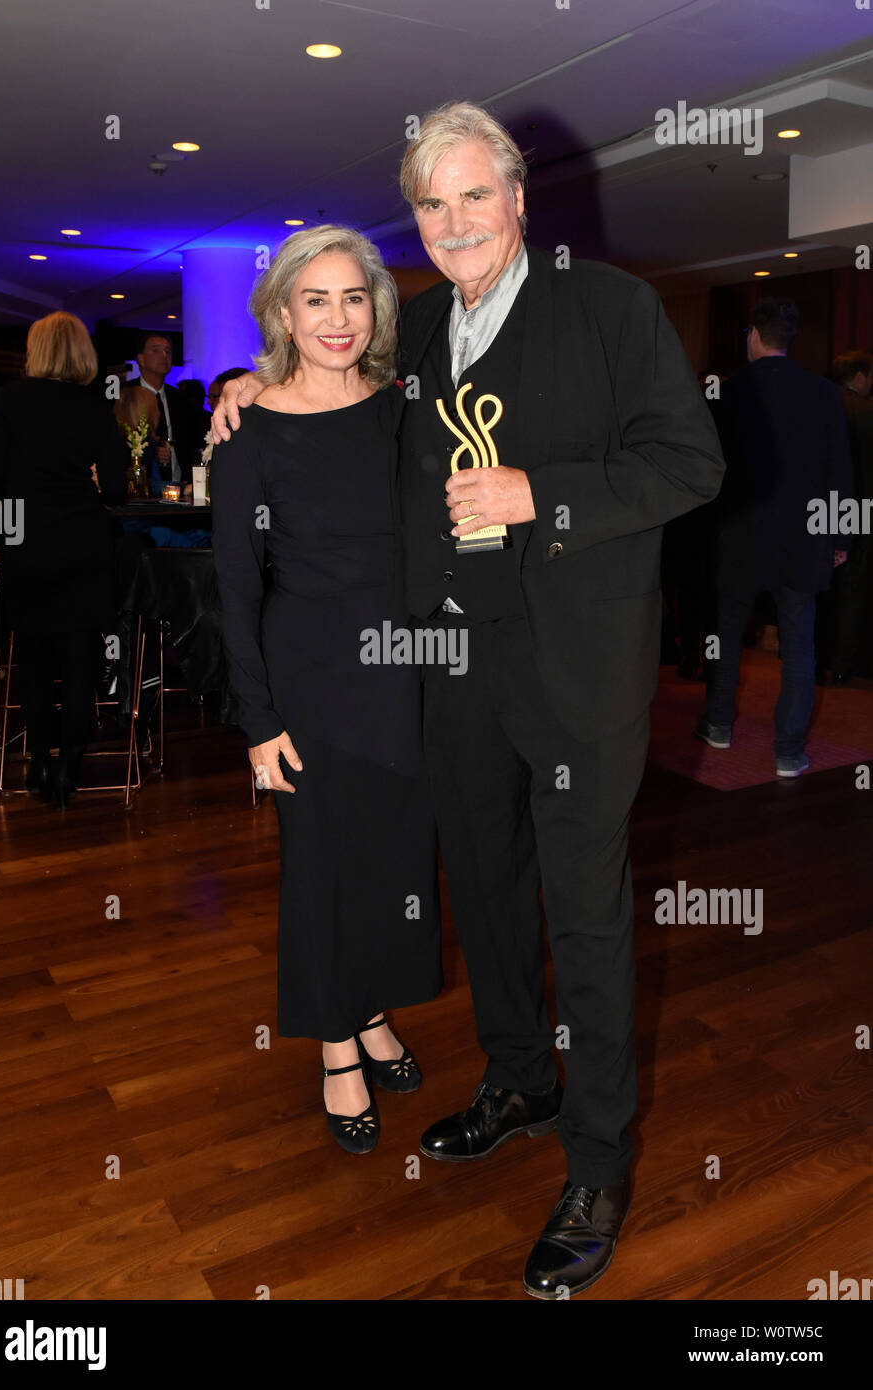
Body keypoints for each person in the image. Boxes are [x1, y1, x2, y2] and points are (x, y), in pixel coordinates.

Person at [214, 101, 725, 1296]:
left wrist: (539, 494)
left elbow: (691, 463)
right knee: (485, 893)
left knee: (585, 915)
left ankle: (597, 1162)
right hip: (448, 671)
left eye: (472, 195)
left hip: (576, 675)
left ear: (518, 199)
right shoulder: (422, 332)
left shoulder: (607, 308)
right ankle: (518, 1080)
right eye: (430, 204)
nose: (451, 223)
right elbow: (336, 423)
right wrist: (250, 382)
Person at [211, 226, 442, 1155]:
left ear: (376, 309)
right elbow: (235, 585)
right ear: (284, 316)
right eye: (317, 300)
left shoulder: (400, 411)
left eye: (355, 298)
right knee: (320, 865)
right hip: (306, 679)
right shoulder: (249, 430)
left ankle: (372, 1007)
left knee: (390, 859)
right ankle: (337, 1045)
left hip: (403, 673)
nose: (339, 318)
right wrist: (257, 722)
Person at [0, 312, 129, 807]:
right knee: (80, 661)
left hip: (28, 542)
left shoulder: (7, 400)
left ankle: (38, 763)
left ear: (35, 350)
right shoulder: (94, 405)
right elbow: (113, 487)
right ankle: (68, 769)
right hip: (83, 542)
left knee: (34, 659)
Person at [697, 298, 854, 775]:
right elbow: (840, 470)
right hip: (803, 540)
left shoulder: (725, 393)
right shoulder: (825, 393)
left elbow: (709, 471)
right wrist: (841, 536)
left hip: (741, 536)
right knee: (799, 646)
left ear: (754, 336)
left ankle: (719, 725)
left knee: (725, 634)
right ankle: (788, 751)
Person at [818, 350, 873, 683]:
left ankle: (817, 657)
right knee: (854, 587)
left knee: (820, 584)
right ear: (860, 377)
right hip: (862, 507)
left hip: (820, 507)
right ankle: (841, 665)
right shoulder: (868, 412)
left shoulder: (818, 405)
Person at [129, 333, 201, 487]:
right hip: (140, 487)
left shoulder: (179, 398)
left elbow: (188, 442)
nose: (163, 355)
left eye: (168, 352)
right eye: (155, 350)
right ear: (140, 359)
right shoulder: (127, 394)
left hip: (179, 485)